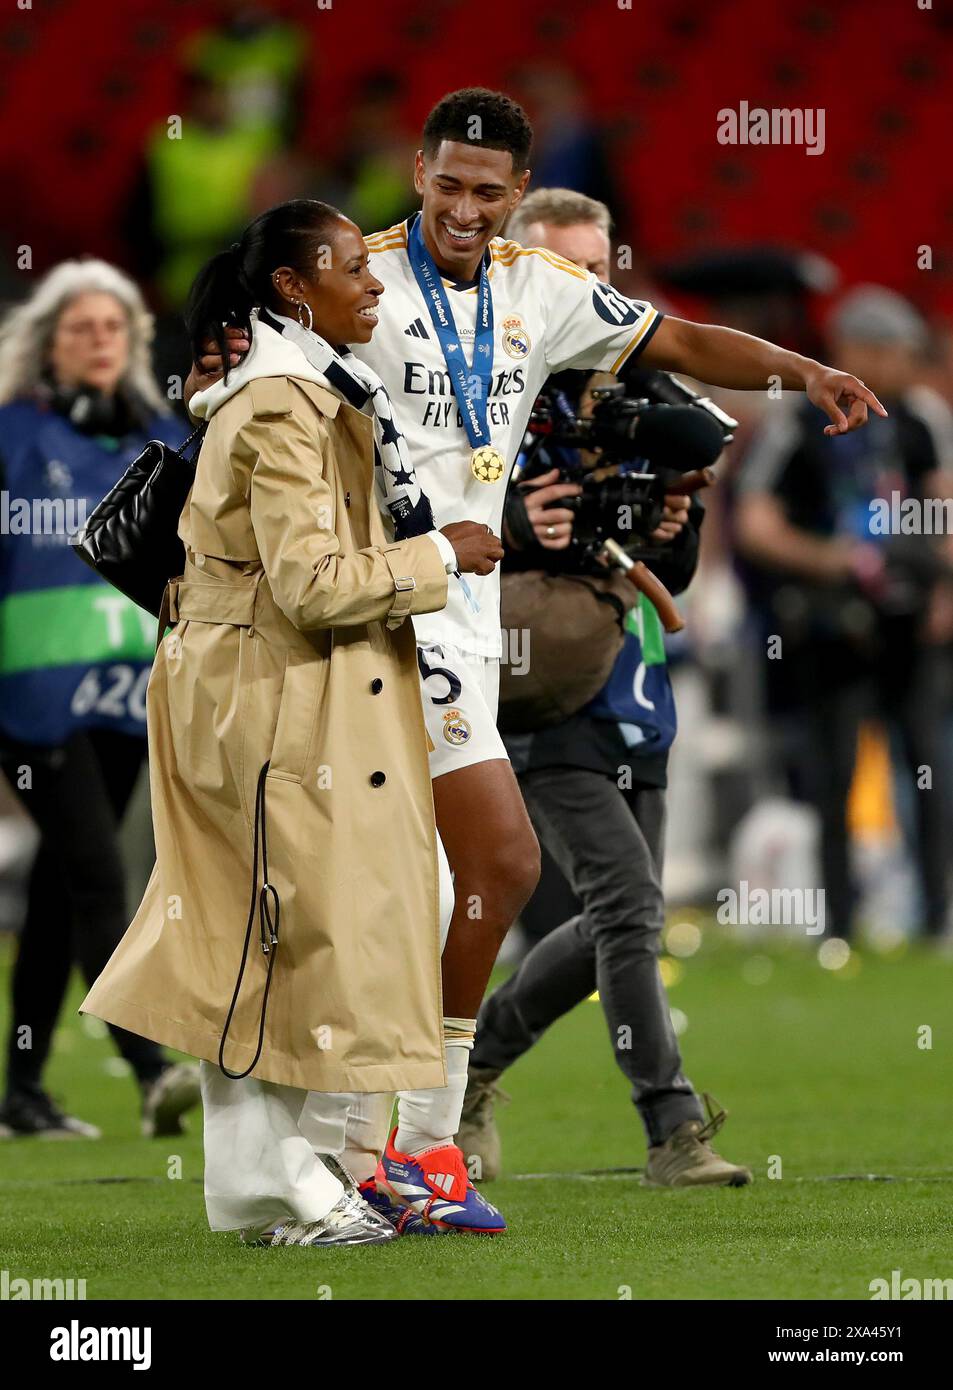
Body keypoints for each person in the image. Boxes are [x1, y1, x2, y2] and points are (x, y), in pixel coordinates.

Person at [187, 88, 885, 1227]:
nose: (462, 209)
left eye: (485, 191)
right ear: (418, 170)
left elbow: (679, 338)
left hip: (462, 615)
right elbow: (244, 372)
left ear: (516, 194)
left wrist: (798, 372)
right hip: (351, 613)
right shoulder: (349, 274)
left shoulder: (537, 288)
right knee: (367, 888)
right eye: (446, 184)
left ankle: (416, 1145)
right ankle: (319, 1153)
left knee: (494, 869)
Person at [82, 199, 504, 1246]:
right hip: (267, 699)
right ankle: (290, 1183)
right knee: (259, 942)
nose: (372, 283)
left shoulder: (310, 386)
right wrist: (443, 555)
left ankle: (279, 1180)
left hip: (290, 691)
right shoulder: (278, 405)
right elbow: (311, 582)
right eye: (350, 267)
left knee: (283, 939)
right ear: (290, 287)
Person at [457, 189, 750, 1187]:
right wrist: (512, 530)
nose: (586, 290)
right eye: (562, 272)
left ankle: (472, 1065)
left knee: (615, 919)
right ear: (515, 274)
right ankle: (671, 1129)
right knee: (624, 902)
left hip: (632, 677)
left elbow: (675, 573)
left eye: (599, 271)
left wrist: (664, 529)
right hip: (533, 678)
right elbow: (419, 537)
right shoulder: (475, 395)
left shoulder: (641, 392)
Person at [0, 258, 200, 1141]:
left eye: (111, 328)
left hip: (129, 694)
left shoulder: (160, 439)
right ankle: (153, 1068)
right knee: (96, 873)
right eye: (79, 328)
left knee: (57, 890)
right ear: (49, 343)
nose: (97, 341)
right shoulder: (8, 433)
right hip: (30, 695)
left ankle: (21, 1089)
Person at [735, 285, 953, 940]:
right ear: (849, 350)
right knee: (831, 774)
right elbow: (755, 520)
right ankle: (839, 923)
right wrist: (829, 560)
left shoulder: (919, 418)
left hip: (907, 625)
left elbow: (944, 507)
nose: (897, 365)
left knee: (925, 768)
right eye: (883, 351)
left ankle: (933, 919)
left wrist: (943, 591)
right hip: (826, 623)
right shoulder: (798, 421)